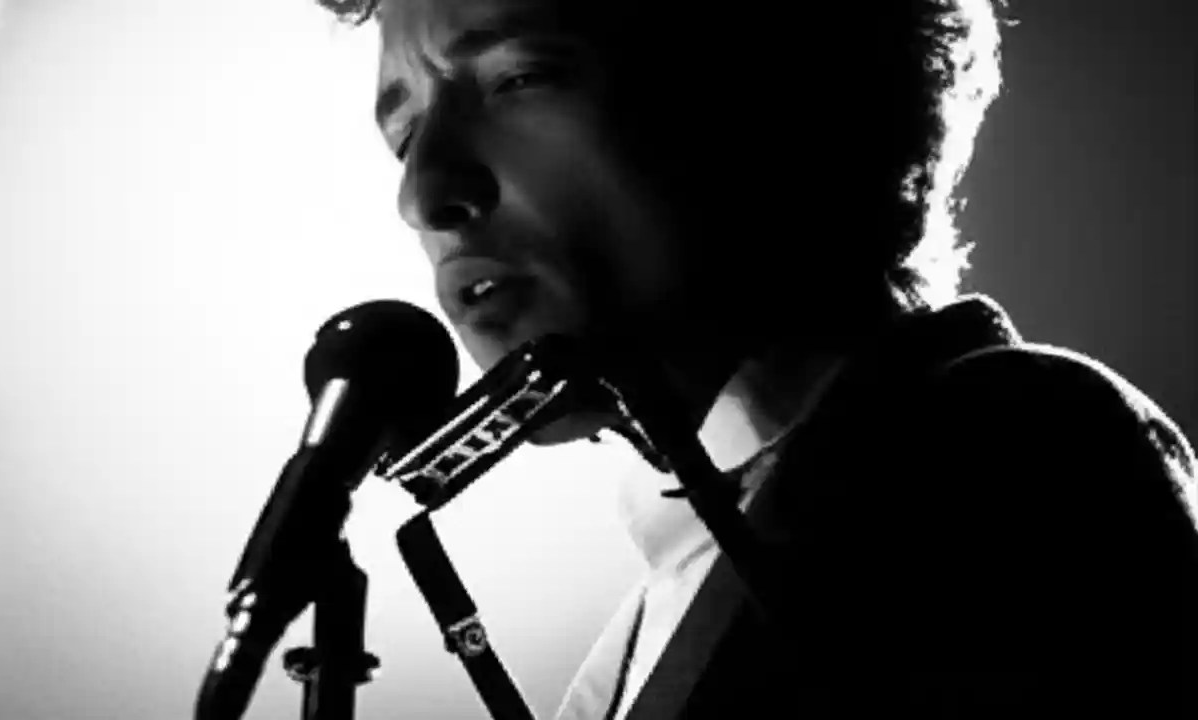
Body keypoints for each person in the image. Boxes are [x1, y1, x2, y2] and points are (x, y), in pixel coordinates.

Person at [322, 0, 1198, 715]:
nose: (422, 192)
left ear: (772, 89)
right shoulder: (644, 626)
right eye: (403, 141)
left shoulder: (1017, 438)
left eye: (519, 77)